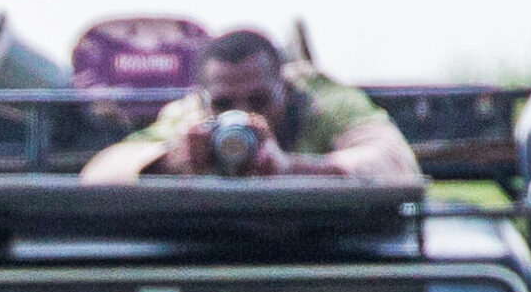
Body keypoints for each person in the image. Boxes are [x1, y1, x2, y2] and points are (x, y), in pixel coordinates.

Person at [84, 27, 420, 185]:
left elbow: (395, 164)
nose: (243, 114)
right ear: (204, 101)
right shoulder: (192, 116)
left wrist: (292, 168)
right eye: (224, 104)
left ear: (286, 89)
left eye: (259, 101)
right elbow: (98, 175)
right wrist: (173, 161)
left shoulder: (325, 102)